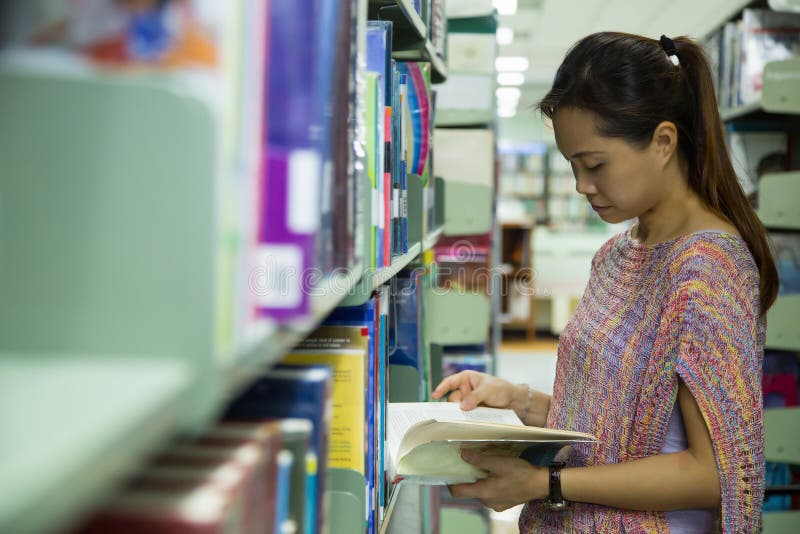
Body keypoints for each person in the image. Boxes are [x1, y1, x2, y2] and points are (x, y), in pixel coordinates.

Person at [432, 32, 778, 533]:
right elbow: (615, 434)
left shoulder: (709, 269)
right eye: (572, 166)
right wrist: (519, 401)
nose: (581, 186)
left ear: (663, 142)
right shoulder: (617, 254)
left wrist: (545, 483)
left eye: (595, 165)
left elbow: (716, 474)